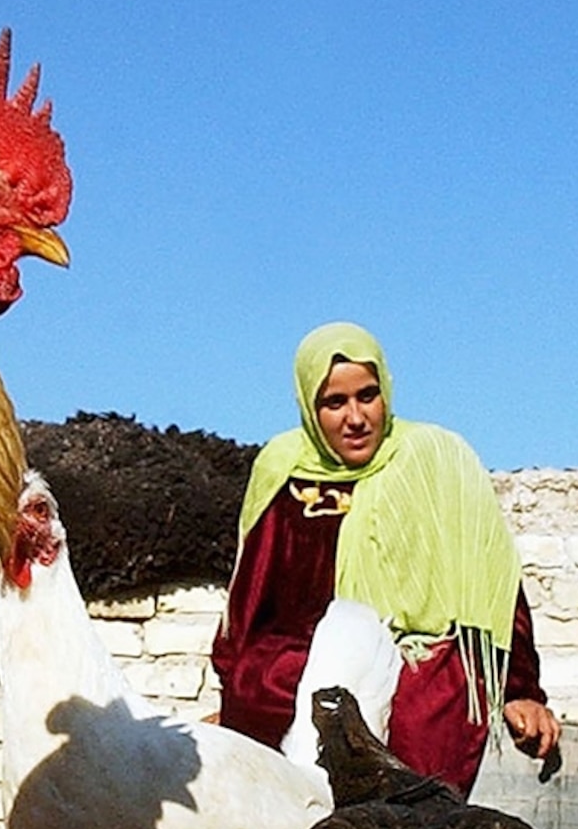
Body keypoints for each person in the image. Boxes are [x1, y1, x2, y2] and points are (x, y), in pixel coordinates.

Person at [213, 322, 559, 796]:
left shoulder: (437, 457)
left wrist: (522, 688)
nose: (355, 417)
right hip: (301, 660)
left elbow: (491, 581)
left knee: (425, 727)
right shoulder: (282, 469)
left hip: (418, 649)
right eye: (335, 403)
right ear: (311, 408)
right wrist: (238, 690)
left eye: (367, 396)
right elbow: (249, 601)